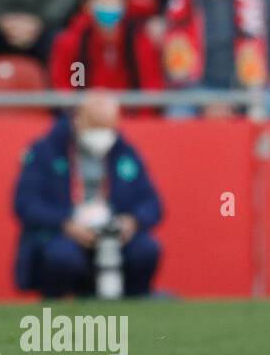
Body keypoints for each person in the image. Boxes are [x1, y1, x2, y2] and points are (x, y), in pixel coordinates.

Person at [14, 90, 163, 297]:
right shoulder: (46, 151)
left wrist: (132, 221)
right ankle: (62, 311)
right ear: (78, 119)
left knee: (145, 250)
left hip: (113, 233)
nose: (102, 134)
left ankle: (133, 304)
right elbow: (26, 204)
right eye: (95, 125)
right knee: (62, 257)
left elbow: (152, 203)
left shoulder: (124, 152)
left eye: (108, 127)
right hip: (65, 232)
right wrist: (66, 223)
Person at [50, 0, 164, 93]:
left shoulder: (138, 39)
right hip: (85, 110)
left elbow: (152, 85)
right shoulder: (71, 41)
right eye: (102, 0)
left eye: (114, 0)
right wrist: (85, 107)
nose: (109, 6)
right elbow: (63, 85)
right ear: (86, 5)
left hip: (130, 110)